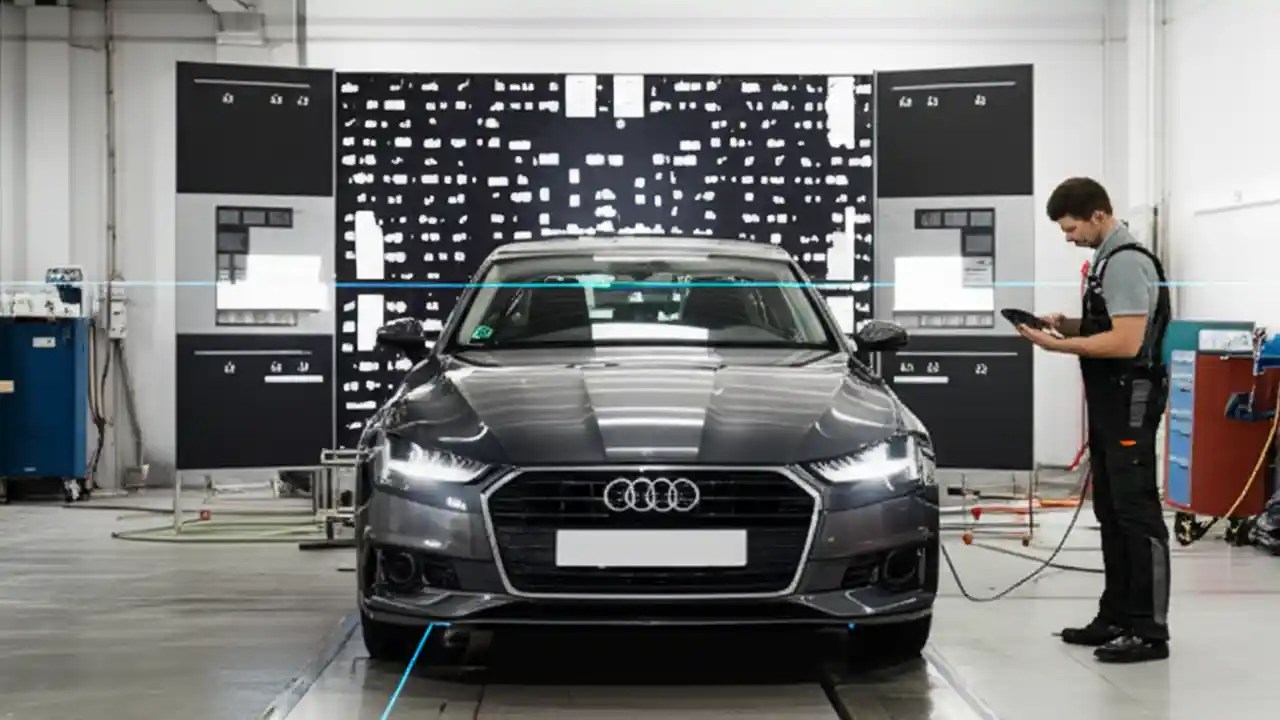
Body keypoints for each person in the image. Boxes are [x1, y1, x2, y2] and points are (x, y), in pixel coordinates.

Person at [1015, 177, 1172, 664]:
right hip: (1111, 402)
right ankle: (1117, 615)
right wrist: (1066, 326)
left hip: (1130, 400)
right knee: (1110, 510)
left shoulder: (1125, 261)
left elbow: (1126, 341)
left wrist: (1058, 346)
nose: (1068, 238)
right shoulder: (1106, 259)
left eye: (1071, 228)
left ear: (1098, 215)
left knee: (1136, 512)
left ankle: (1148, 630)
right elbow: (1111, 325)